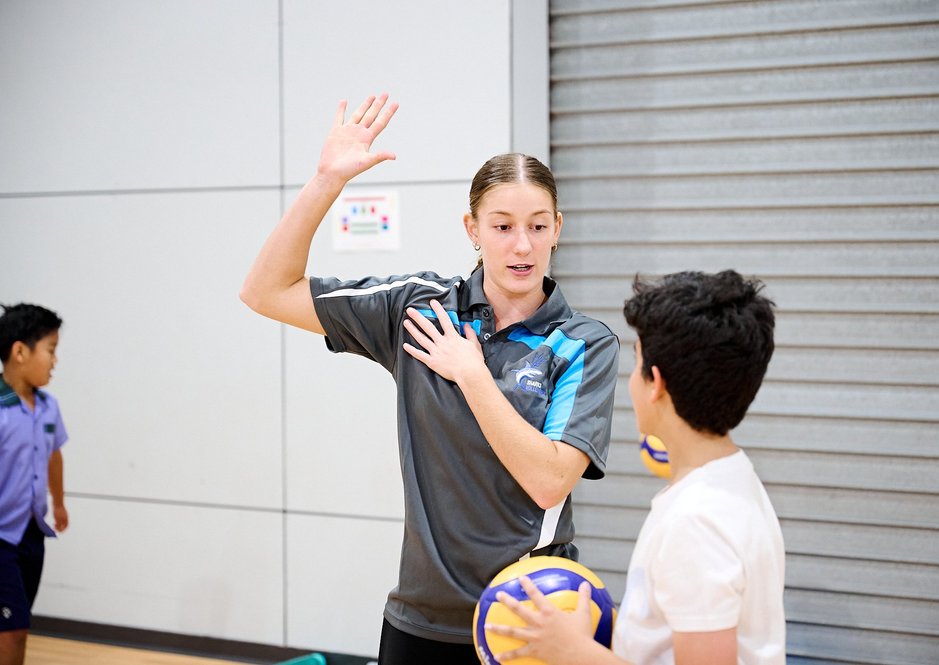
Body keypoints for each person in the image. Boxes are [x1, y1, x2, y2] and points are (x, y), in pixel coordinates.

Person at [239, 94, 619, 663]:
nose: (522, 245)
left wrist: (472, 374)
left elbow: (548, 482)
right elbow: (266, 291)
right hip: (418, 619)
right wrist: (325, 182)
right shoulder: (419, 309)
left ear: (557, 229)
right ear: (473, 229)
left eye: (538, 226)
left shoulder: (584, 343)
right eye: (502, 226)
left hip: (531, 617)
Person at [487, 270, 786, 665]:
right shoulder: (733, 479)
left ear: (655, 384)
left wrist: (574, 651)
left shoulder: (696, 523)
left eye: (637, 361)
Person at [0, 304, 70, 665]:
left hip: (31, 534)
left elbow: (54, 455)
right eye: (51, 350)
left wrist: (58, 503)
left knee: (19, 624)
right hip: (1, 538)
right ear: (20, 352)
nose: (55, 361)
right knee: (12, 630)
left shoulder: (48, 407)